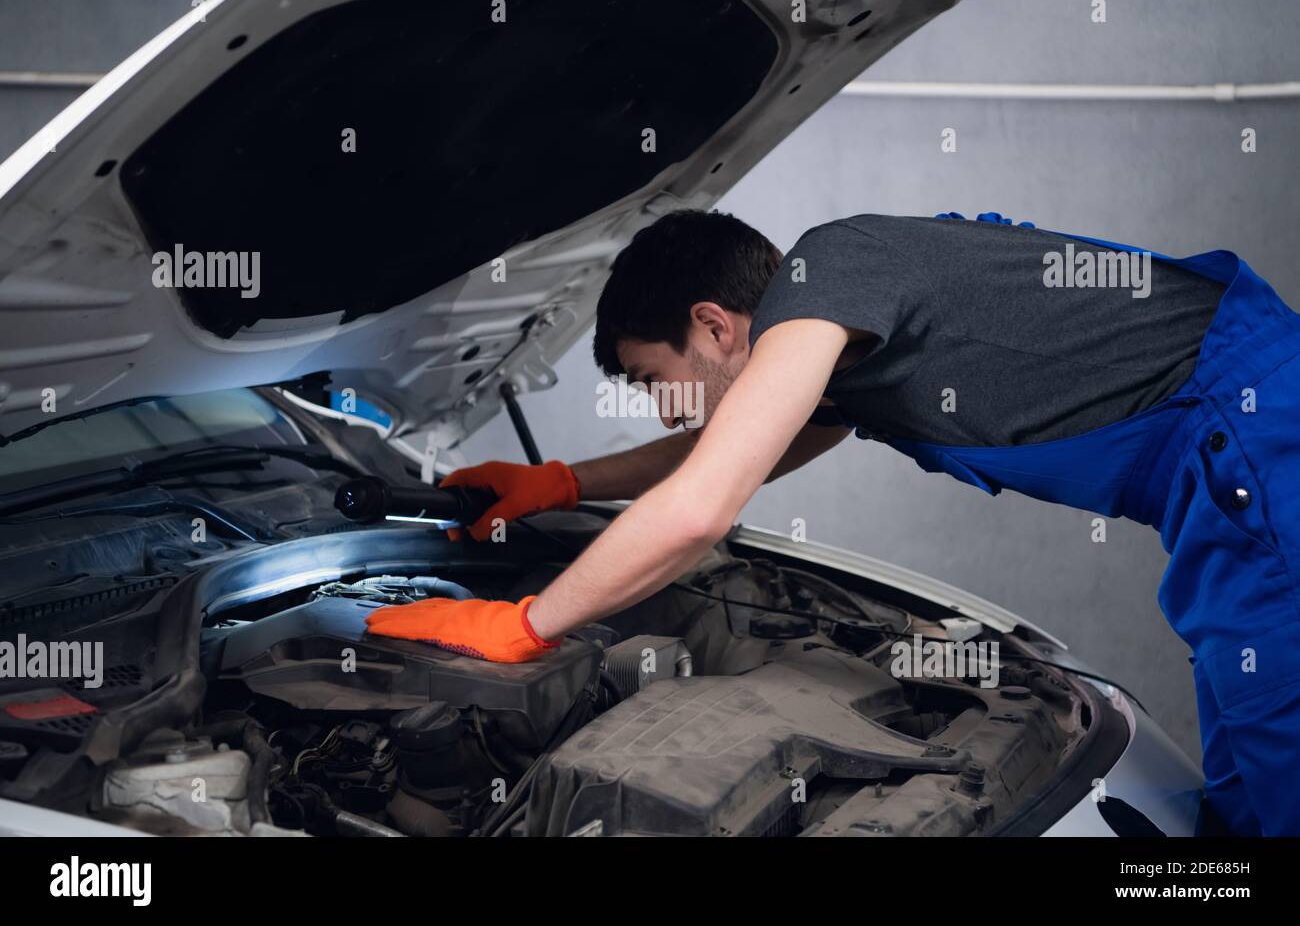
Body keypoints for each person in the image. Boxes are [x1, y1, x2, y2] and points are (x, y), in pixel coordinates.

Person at [363, 209, 1300, 835]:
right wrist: (562, 481)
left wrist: (523, 625)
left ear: (716, 325)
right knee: (1245, 745)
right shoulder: (837, 332)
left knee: (1278, 736)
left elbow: (702, 509)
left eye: (656, 380)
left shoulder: (832, 275)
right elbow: (733, 450)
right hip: (1224, 462)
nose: (660, 410)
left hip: (1254, 427)